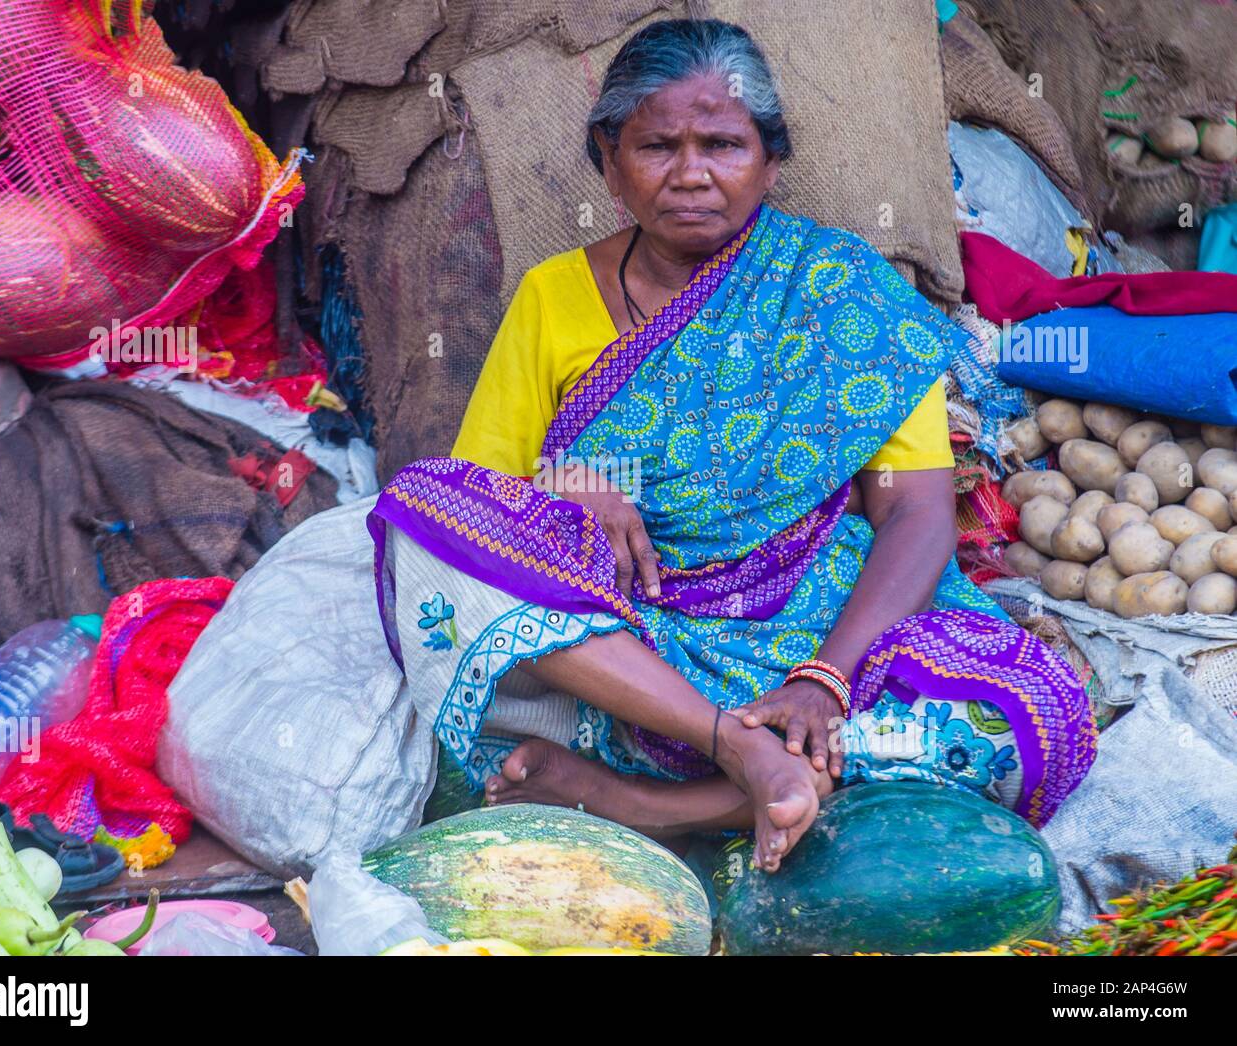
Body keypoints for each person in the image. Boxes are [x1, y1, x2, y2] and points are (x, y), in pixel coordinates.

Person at [369, 17, 1095, 873]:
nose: (690, 175)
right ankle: (743, 754)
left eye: (722, 143)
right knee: (418, 514)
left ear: (769, 161)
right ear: (608, 160)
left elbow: (917, 514)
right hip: (634, 652)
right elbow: (479, 500)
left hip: (824, 636)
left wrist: (823, 680)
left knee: (1028, 718)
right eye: (657, 146)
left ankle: (654, 806)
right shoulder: (553, 297)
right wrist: (564, 482)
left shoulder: (838, 287)